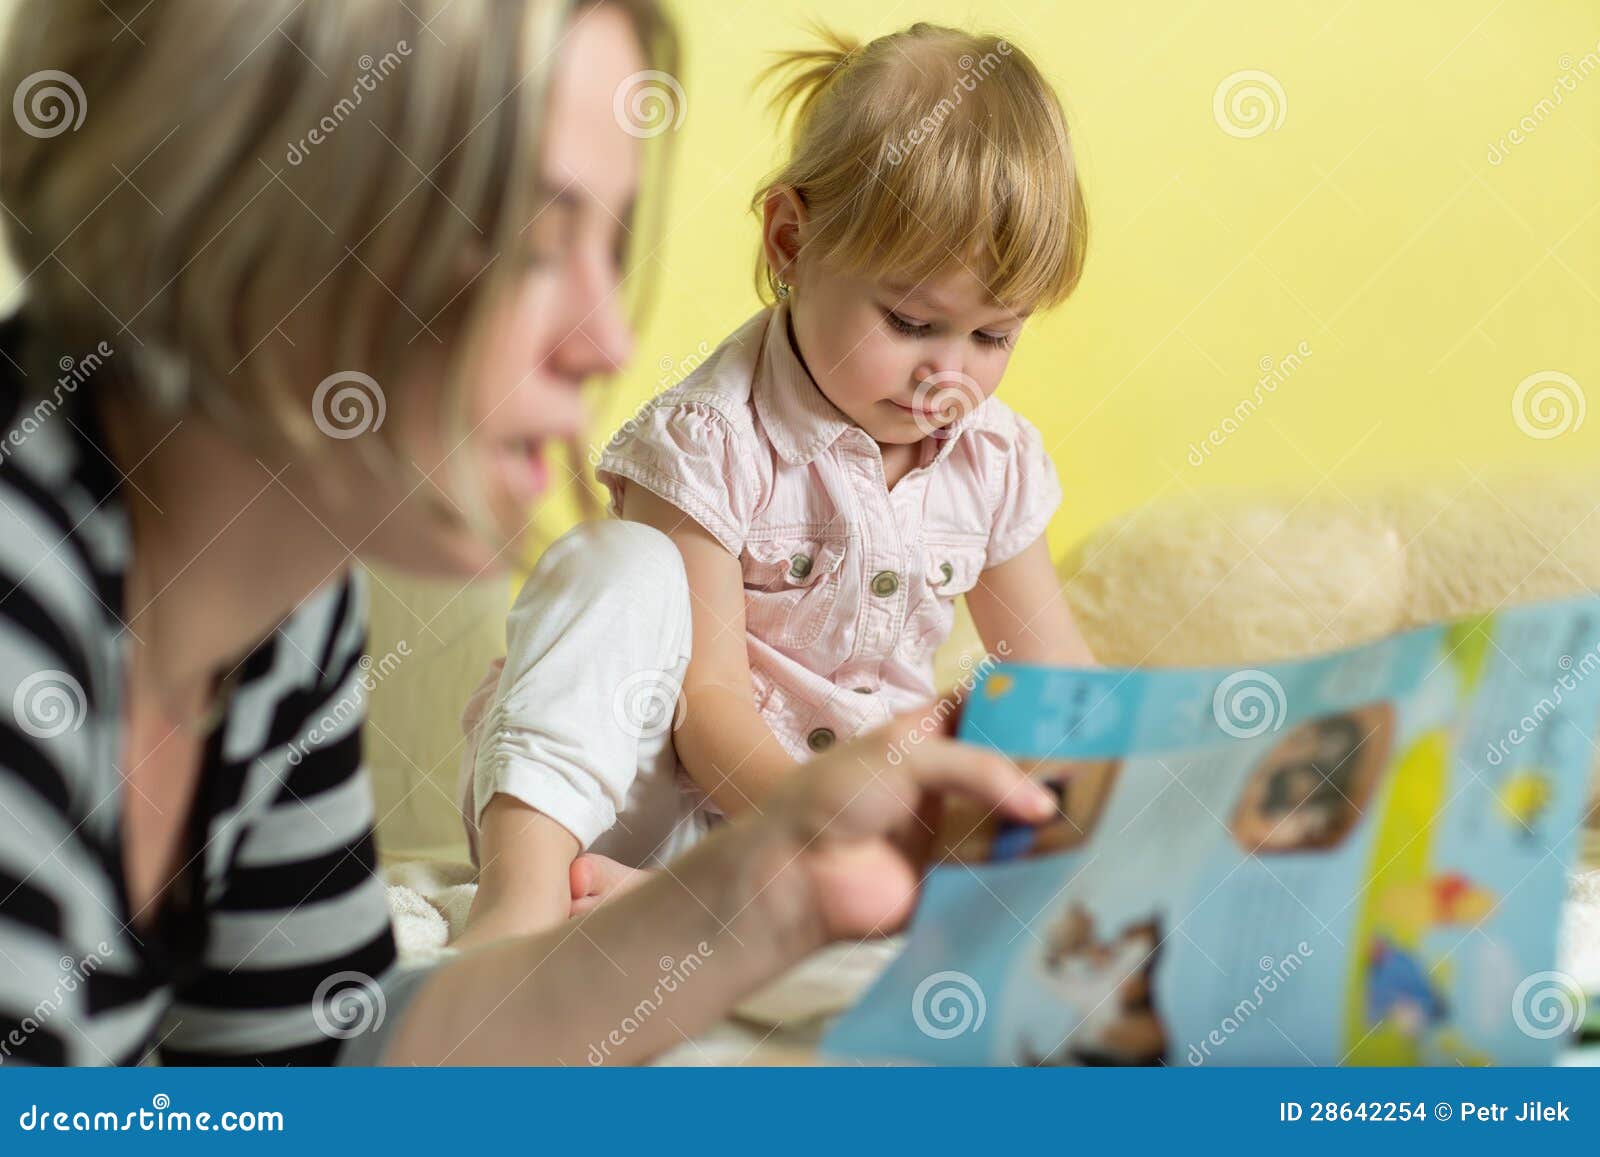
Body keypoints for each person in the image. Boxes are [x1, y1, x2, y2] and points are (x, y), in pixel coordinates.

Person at [0, 0, 1055, 1066]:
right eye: (535, 247)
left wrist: (772, 886)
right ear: (260, 218)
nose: (608, 340)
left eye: (612, 244)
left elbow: (303, 1077)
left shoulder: (285, 605)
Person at [458, 22, 1097, 944]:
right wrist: (821, 817)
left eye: (993, 337)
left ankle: (682, 906)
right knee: (616, 562)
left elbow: (1057, 681)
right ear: (792, 240)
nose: (947, 375)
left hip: (821, 847)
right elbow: (707, 706)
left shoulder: (990, 458)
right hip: (628, 798)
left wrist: (1109, 792)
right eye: (911, 322)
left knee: (990, 826)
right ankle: (518, 899)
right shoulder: (710, 438)